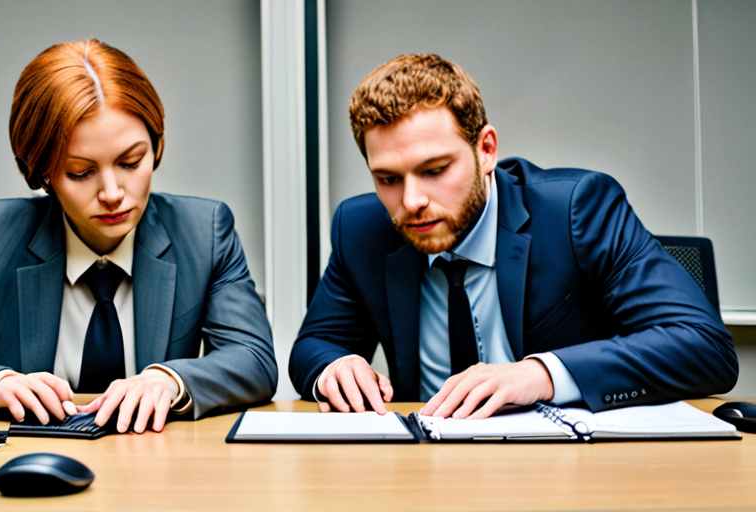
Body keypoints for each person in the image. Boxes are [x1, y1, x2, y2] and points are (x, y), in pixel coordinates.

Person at [0, 39, 276, 433]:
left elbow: (254, 360)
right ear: (42, 173)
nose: (112, 194)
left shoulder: (205, 231)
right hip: (24, 468)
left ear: (157, 145)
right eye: (80, 172)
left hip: (157, 469)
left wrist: (169, 381)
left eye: (131, 162)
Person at [289, 53, 737, 419]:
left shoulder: (576, 208)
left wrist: (541, 374)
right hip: (423, 474)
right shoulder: (361, 228)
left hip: (569, 472)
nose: (410, 201)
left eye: (435, 170)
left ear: (486, 150)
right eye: (387, 178)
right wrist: (332, 366)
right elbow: (313, 345)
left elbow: (704, 345)